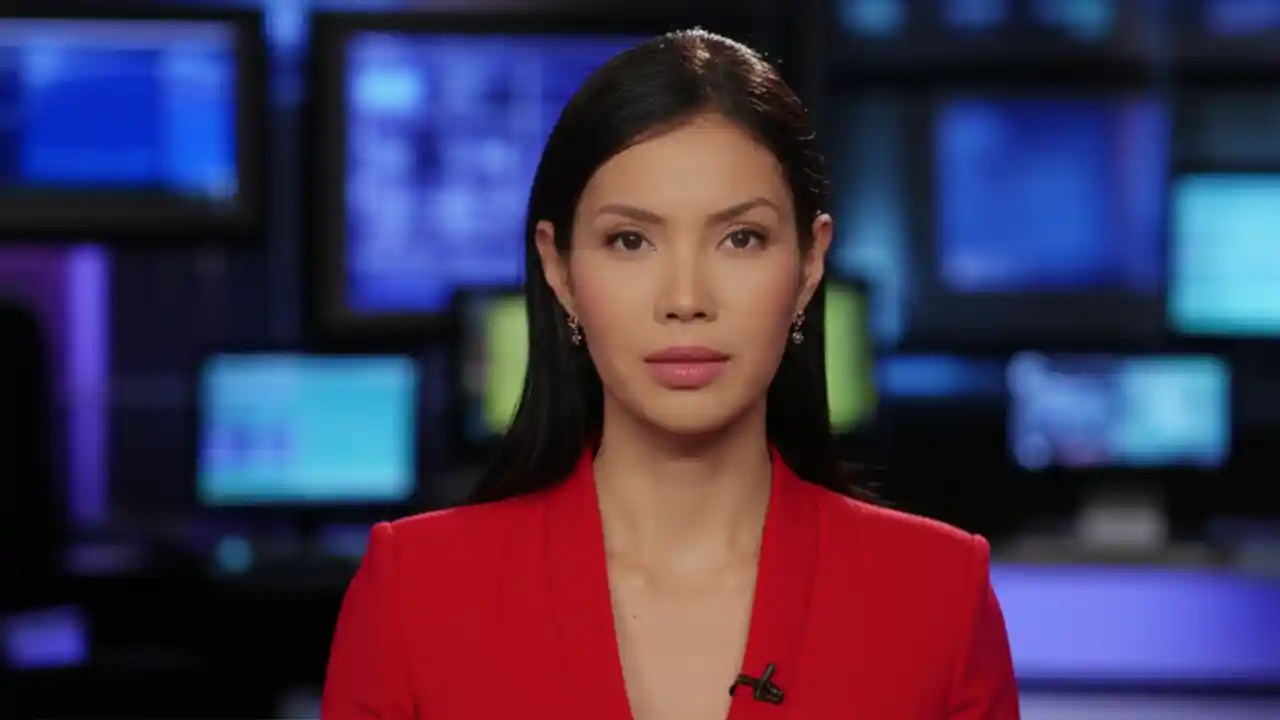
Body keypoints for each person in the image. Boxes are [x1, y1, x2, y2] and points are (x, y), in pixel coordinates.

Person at [322, 28, 1020, 719]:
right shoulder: (416, 592)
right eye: (630, 241)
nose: (685, 299)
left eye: (740, 239)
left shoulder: (938, 596)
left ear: (809, 265)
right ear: (559, 268)